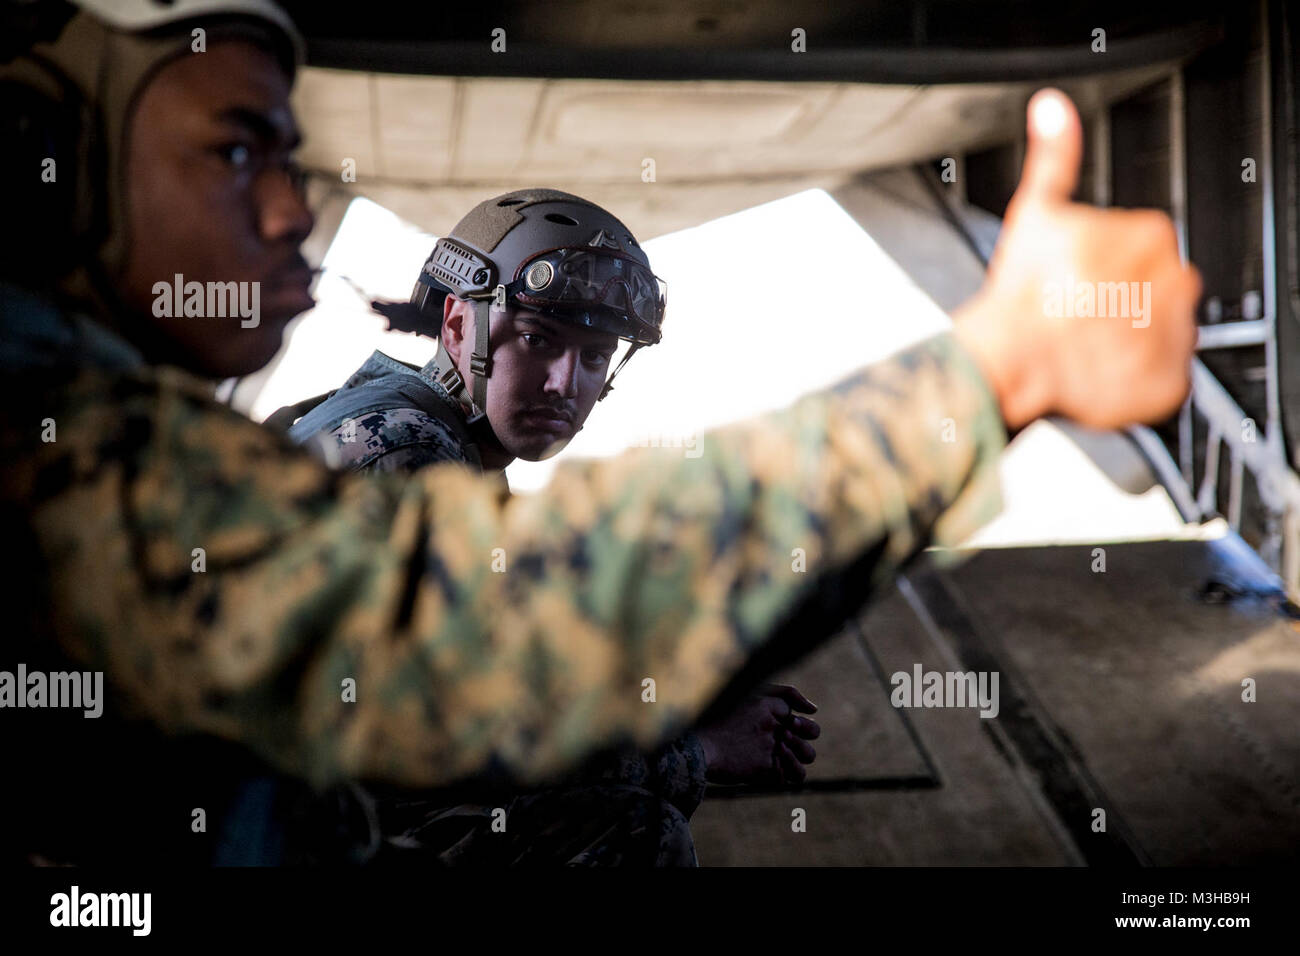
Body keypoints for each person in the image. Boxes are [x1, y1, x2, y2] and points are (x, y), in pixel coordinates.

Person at [0, 0, 1201, 866]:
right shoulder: (267, 450)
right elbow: (486, 646)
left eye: (597, 353)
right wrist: (991, 375)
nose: (284, 209)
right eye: (235, 151)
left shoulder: (132, 415)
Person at [275, 189, 823, 865]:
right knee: (633, 832)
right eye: (539, 340)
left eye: (595, 356)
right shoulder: (404, 450)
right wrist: (698, 747)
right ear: (456, 328)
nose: (565, 383)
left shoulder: (426, 434)